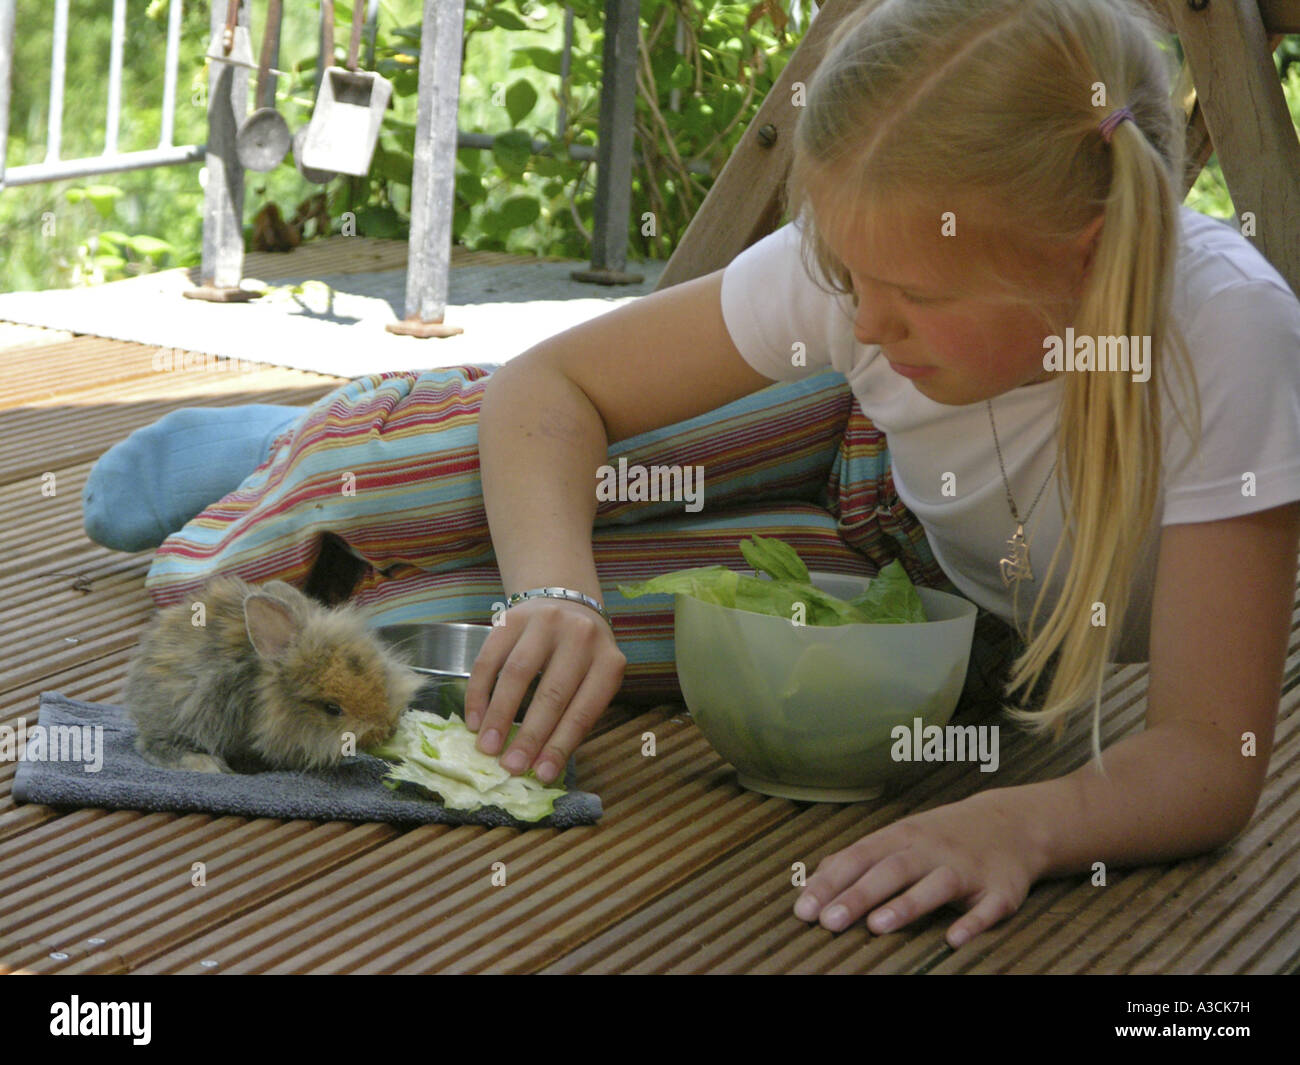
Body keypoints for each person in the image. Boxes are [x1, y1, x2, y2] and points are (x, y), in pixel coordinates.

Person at [84, 0, 1300, 950]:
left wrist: (1022, 823)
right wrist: (558, 593)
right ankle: (309, 441)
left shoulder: (1225, 335)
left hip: (939, 618)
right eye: (845, 281)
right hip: (836, 432)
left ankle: (335, 475)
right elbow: (554, 392)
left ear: (1078, 262)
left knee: (411, 660)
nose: (864, 318)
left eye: (914, 297)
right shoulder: (862, 291)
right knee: (389, 523)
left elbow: (1209, 755)